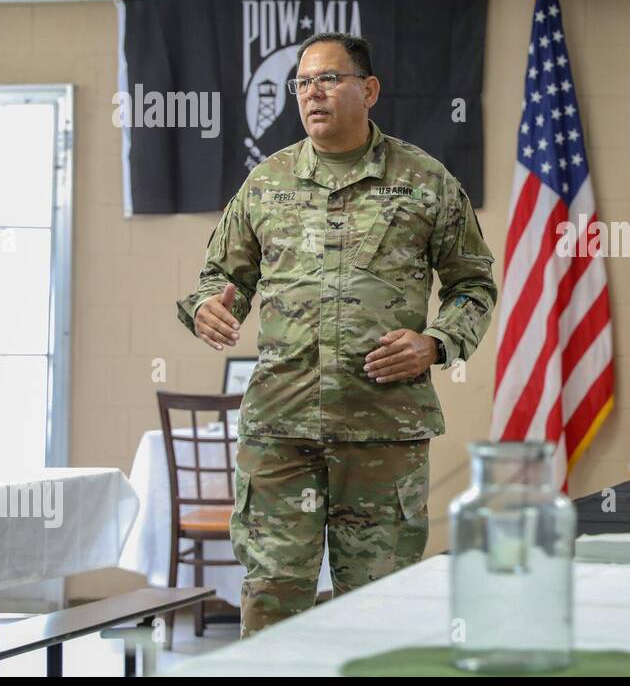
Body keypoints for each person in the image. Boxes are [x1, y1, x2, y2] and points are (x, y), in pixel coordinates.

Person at [176, 32, 497, 636]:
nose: (311, 93)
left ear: (368, 90)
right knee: (272, 599)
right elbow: (219, 278)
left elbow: (472, 284)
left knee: (379, 606)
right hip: (280, 432)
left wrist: (435, 344)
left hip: (381, 432)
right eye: (301, 83)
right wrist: (204, 308)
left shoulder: (425, 181)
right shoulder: (267, 183)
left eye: (328, 79)